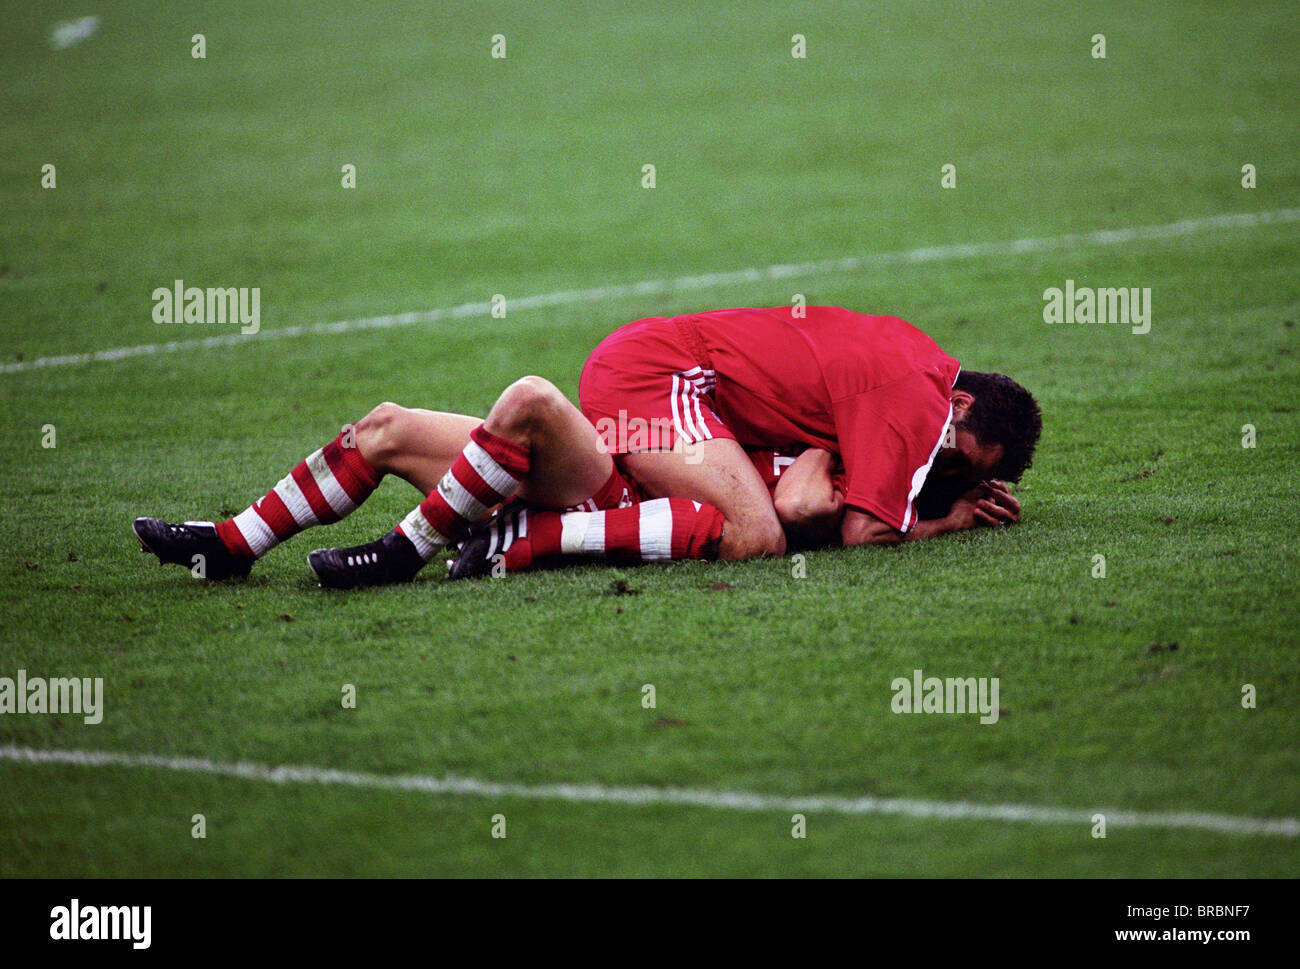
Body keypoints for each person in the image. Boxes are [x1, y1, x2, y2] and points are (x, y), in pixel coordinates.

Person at [133, 306, 1039, 588]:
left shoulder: (853, 433)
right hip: (614, 471)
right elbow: (810, 511)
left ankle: (230, 544)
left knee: (386, 429)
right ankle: (434, 549)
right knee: (532, 400)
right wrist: (947, 521)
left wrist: (936, 507)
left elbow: (818, 503)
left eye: (959, 469)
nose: (943, 462)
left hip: (616, 474)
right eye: (956, 452)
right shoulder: (875, 429)